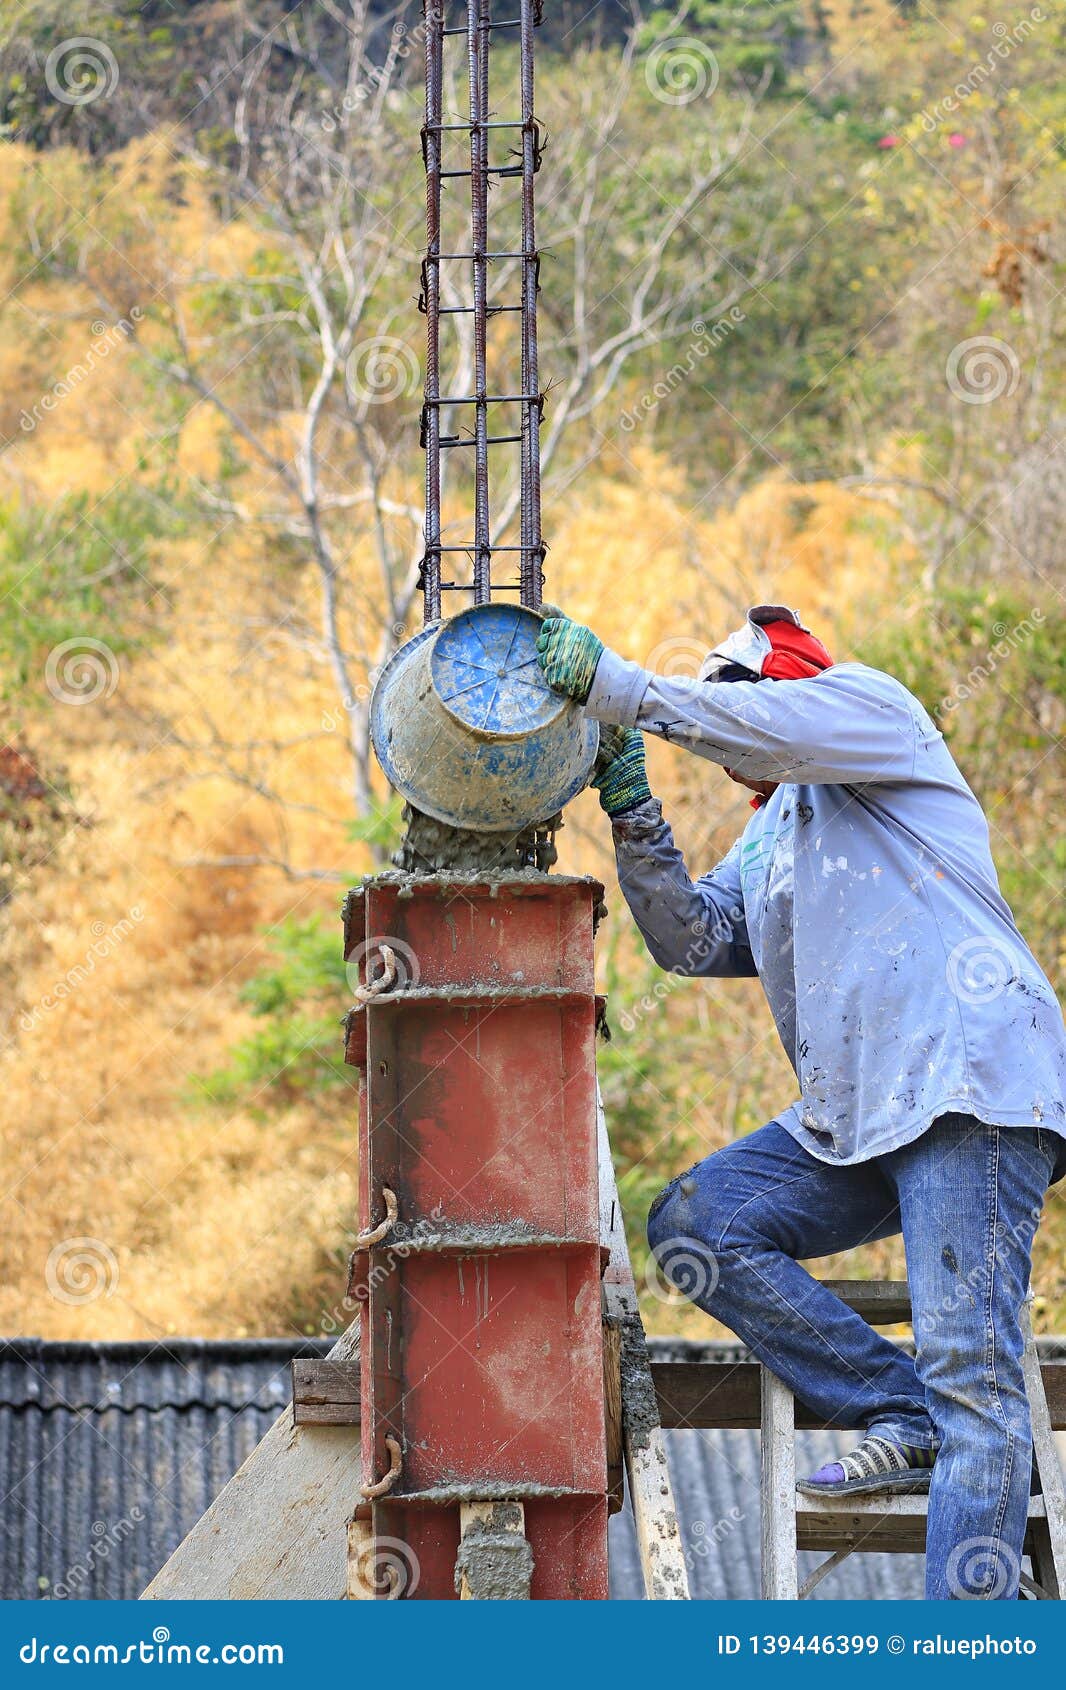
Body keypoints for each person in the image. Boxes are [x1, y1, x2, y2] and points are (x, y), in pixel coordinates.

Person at [535, 604, 1066, 1601]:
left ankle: (969, 1639)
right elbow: (690, 939)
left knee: (972, 1377)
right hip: (858, 1118)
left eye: (746, 705)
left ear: (791, 685)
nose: (733, 737)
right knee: (699, 1223)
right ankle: (898, 1410)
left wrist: (622, 689)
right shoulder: (772, 837)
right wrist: (634, 810)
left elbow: (772, 728)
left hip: (965, 1080)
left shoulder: (876, 713)